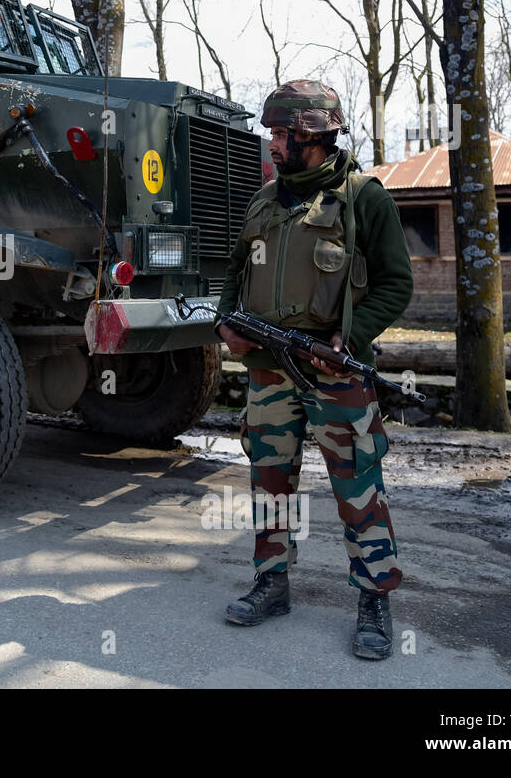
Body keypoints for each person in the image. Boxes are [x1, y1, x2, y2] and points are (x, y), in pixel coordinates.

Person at [213, 80, 413, 660]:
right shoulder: (263, 201)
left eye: (283, 134)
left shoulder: (364, 197)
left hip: (335, 373)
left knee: (358, 487)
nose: (273, 144)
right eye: (273, 134)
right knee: (270, 480)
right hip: (268, 369)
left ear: (316, 137)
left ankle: (374, 598)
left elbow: (397, 283)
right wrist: (225, 323)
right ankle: (271, 582)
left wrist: (349, 336)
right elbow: (235, 272)